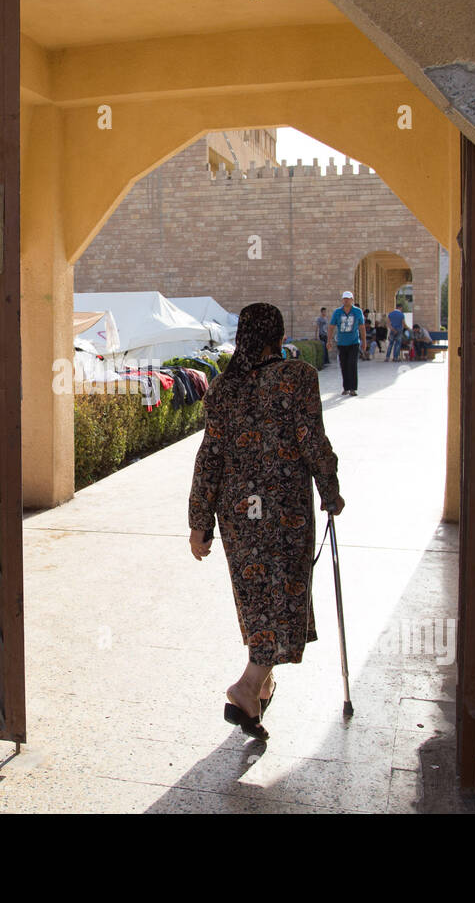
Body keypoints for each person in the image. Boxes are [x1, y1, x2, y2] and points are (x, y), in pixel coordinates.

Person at [188, 302, 344, 741]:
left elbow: (210, 457)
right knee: (285, 597)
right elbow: (312, 440)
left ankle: (261, 691)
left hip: (239, 514)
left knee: (260, 598)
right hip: (285, 511)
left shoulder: (222, 387)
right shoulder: (297, 377)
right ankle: (248, 685)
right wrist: (331, 492)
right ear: (277, 337)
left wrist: (200, 521)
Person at [328, 291, 365, 396]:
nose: (346, 300)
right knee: (344, 365)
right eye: (345, 299)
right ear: (342, 300)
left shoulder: (357, 312)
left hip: (354, 342)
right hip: (342, 343)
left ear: (352, 300)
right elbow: (331, 326)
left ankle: (353, 388)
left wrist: (364, 341)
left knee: (352, 364)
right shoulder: (337, 312)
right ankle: (346, 387)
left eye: (348, 299)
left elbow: (362, 327)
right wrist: (329, 341)